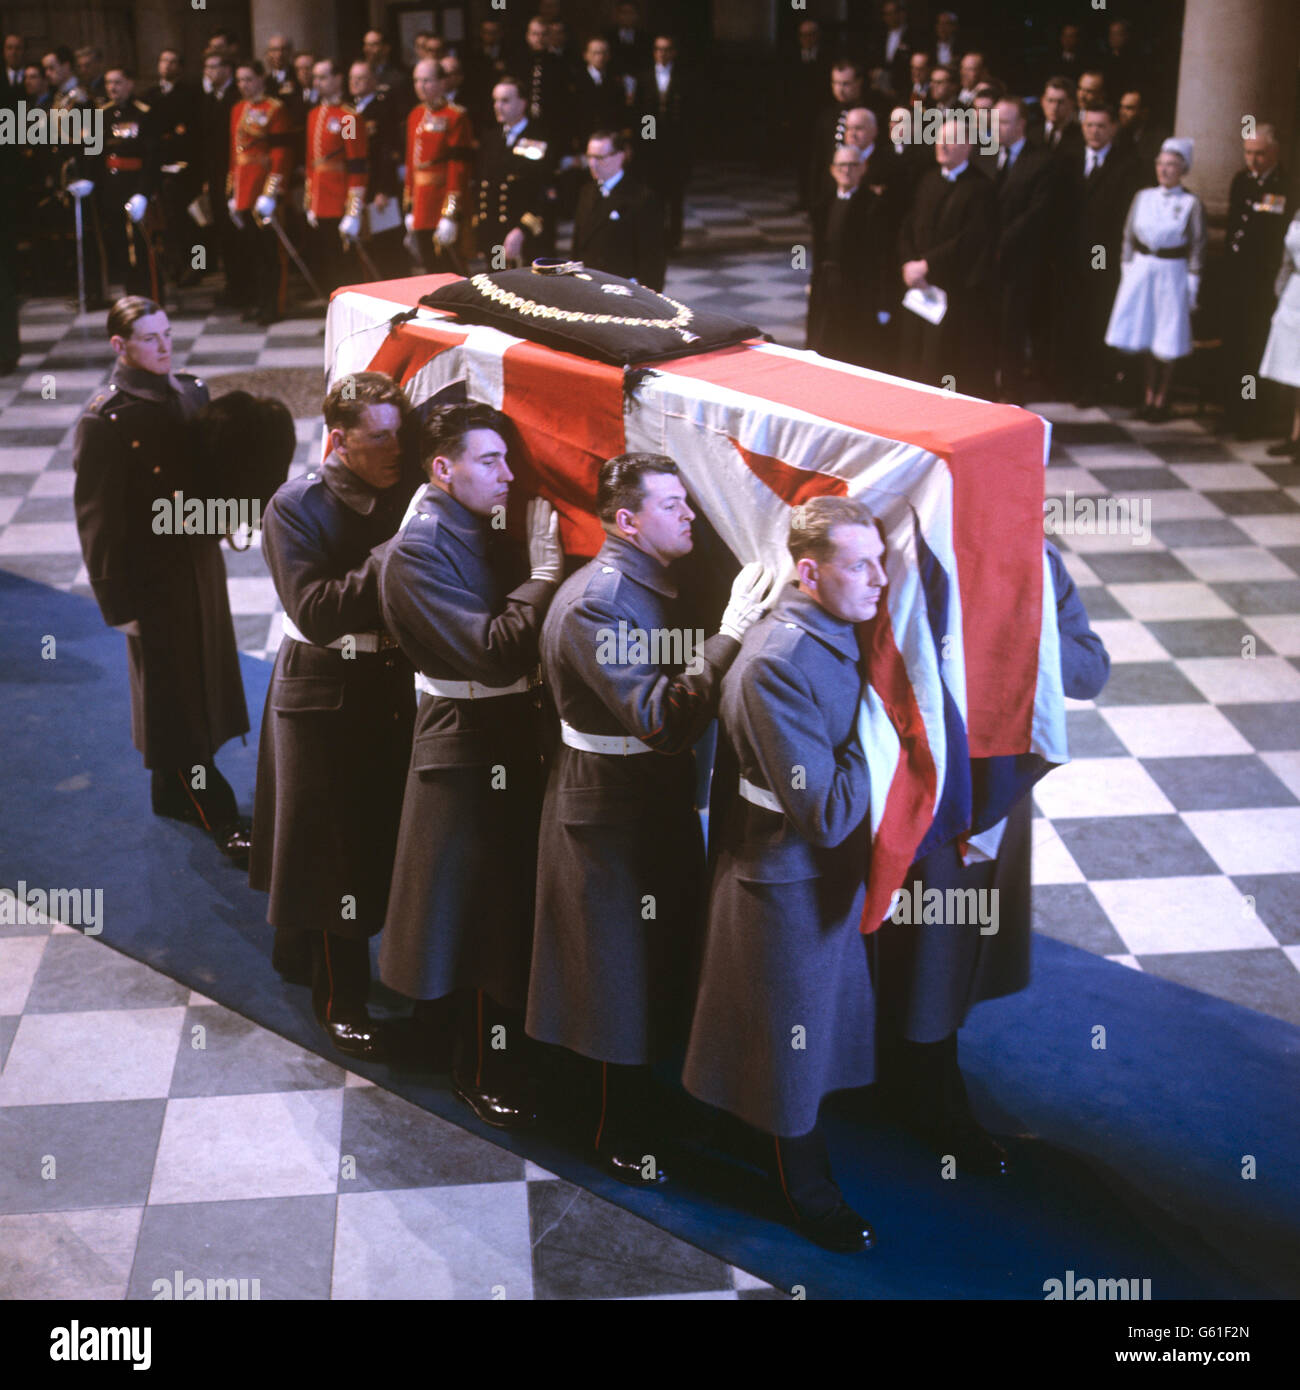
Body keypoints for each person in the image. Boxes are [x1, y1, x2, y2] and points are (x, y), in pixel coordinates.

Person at [526, 454, 775, 1186]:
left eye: (688, 502)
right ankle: (612, 1132)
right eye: (673, 505)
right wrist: (730, 635)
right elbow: (662, 719)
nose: (691, 515)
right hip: (607, 808)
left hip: (642, 800)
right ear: (627, 521)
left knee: (646, 959)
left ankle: (638, 1108)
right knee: (611, 973)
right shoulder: (600, 602)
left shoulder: (646, 583)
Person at [682, 496, 884, 1253]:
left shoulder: (827, 630)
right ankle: (807, 1192)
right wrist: (882, 735)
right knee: (785, 1051)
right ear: (809, 571)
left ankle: (733, 1131)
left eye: (880, 560)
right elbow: (828, 812)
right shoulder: (779, 663)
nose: (879, 579)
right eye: (860, 564)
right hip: (782, 881)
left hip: (805, 876)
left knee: (789, 1036)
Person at [871, 540, 1109, 1177]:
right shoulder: (898, 549)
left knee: (953, 939)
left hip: (996, 785)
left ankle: (925, 1073)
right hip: (917, 777)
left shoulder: (1039, 560)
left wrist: (1022, 639)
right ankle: (917, 1084)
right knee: (920, 937)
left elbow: (1091, 669)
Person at [380, 404, 563, 1128]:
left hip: (501, 734)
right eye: (490, 461)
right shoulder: (418, 549)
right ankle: (478, 1064)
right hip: (466, 740)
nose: (508, 475)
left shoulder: (467, 523)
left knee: (480, 902)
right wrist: (547, 575)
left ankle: (443, 1036)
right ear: (442, 469)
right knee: (479, 908)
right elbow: (491, 648)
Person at [250, 372, 414, 1061]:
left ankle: (297, 946)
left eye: (400, 435)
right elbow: (315, 608)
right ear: (339, 440)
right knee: (329, 849)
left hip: (385, 684)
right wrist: (399, 551)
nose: (395, 450)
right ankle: (336, 997)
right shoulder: (296, 507)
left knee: (367, 832)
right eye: (379, 438)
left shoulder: (400, 491)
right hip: (322, 688)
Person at [71, 297, 249, 863]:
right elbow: (96, 519)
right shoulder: (105, 418)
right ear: (119, 346)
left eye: (167, 333)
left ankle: (170, 791)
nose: (165, 346)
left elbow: (209, 474)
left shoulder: (193, 391)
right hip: (150, 579)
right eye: (149, 338)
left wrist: (228, 516)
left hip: (199, 564)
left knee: (206, 679)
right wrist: (115, 600)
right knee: (175, 696)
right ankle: (217, 812)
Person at [1105, 138, 1207, 421]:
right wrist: (1127, 270)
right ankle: (1147, 397)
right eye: (1161, 164)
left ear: (1182, 169)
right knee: (1146, 333)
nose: (1165, 170)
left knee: (1168, 336)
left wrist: (1193, 284)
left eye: (1172, 165)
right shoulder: (1143, 197)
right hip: (1142, 270)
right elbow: (1127, 236)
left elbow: (1198, 246)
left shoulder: (1190, 203)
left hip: (1172, 273)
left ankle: (1163, 398)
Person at [898, 115, 999, 398]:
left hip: (955, 292)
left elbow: (971, 240)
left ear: (967, 146)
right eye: (939, 139)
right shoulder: (928, 179)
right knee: (915, 361)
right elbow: (908, 223)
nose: (942, 145)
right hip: (919, 288)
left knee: (947, 367)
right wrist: (907, 262)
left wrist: (927, 264)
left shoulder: (981, 189)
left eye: (951, 140)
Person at [1055, 104, 1140, 406]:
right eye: (1090, 125)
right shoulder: (1068, 160)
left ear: (1113, 129)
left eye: (1101, 126)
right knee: (1071, 320)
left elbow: (1124, 218)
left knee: (1096, 322)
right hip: (1069, 258)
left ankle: (1092, 385)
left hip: (1103, 259)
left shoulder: (1127, 166)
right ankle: (1068, 381)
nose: (1094, 131)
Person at [1221, 125, 1290, 440]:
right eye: (1249, 153)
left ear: (1273, 153)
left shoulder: (1285, 185)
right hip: (1236, 281)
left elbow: (1277, 238)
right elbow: (1236, 224)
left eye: (1260, 153)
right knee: (1234, 349)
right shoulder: (1242, 181)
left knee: (1253, 351)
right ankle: (1231, 412)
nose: (1254, 160)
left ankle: (1251, 417)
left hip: (1262, 284)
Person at [991, 97, 1057, 404]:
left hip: (1019, 261)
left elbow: (1038, 212)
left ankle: (1011, 391)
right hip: (984, 259)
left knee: (1011, 328)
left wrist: (1002, 242)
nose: (997, 128)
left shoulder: (1041, 160)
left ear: (1021, 125)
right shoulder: (986, 155)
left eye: (1004, 122)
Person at [808, 146, 893, 368]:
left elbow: (882, 258)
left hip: (857, 294)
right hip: (825, 289)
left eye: (852, 165)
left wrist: (882, 302)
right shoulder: (824, 203)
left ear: (863, 168)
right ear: (832, 170)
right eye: (841, 165)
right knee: (821, 350)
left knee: (851, 355)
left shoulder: (874, 206)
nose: (846, 170)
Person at [227, 60, 292, 325]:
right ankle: (258, 301)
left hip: (264, 187)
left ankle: (274, 305)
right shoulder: (238, 109)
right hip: (244, 186)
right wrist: (232, 191)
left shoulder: (275, 109)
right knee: (252, 251)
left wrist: (271, 192)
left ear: (261, 80)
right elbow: (234, 153)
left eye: (248, 79)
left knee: (270, 251)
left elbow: (281, 153)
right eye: (240, 80)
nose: (244, 85)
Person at [95, 68, 162, 302]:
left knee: (142, 248)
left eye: (118, 82)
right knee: (119, 246)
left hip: (135, 187)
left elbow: (152, 158)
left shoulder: (144, 113)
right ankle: (131, 299)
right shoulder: (102, 114)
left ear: (130, 84)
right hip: (111, 188)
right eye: (108, 83)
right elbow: (95, 154)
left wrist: (143, 193)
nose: (112, 88)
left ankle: (151, 298)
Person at [473, 77, 555, 268]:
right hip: (495, 236)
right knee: (496, 284)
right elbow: (482, 185)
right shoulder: (491, 138)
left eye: (505, 101)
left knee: (524, 290)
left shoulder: (538, 138)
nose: (498, 106)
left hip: (524, 236)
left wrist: (522, 230)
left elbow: (543, 192)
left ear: (522, 103)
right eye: (495, 100)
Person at [303, 58, 368, 295]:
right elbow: (311, 162)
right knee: (327, 263)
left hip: (340, 200)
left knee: (346, 266)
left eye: (323, 77)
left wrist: (353, 210)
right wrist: (311, 201)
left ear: (338, 79)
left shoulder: (348, 117)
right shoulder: (313, 115)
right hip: (321, 201)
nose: (317, 82)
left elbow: (357, 164)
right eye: (315, 78)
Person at [572, 129, 665, 291]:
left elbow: (653, 258)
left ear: (620, 156)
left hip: (622, 290)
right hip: (589, 287)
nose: (592, 164)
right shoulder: (586, 192)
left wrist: (648, 295)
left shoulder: (641, 197)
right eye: (589, 157)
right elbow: (578, 246)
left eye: (600, 158)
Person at [403, 58, 473, 272]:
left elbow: (458, 166)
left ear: (443, 83)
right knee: (429, 263)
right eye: (416, 81)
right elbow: (410, 162)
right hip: (422, 202)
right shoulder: (415, 115)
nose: (420, 86)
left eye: (427, 81)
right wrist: (409, 205)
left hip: (442, 198)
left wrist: (450, 213)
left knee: (451, 264)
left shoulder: (455, 116)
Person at [144, 49, 204, 290]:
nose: (167, 66)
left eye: (172, 62)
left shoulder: (189, 95)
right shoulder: (150, 95)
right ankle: (172, 266)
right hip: (158, 166)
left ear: (180, 67)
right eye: (163, 61)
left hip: (184, 168)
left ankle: (197, 266)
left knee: (188, 222)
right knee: (165, 222)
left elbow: (191, 133)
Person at [634, 35, 692, 251]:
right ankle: (655, 240)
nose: (662, 53)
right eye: (658, 49)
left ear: (674, 52)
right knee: (653, 196)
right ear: (653, 52)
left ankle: (674, 241)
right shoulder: (645, 78)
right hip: (652, 146)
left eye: (667, 49)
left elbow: (692, 115)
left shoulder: (684, 78)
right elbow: (639, 114)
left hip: (676, 146)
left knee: (675, 196)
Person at [1258, 208, 1300, 459]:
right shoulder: (1297, 215)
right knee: (1295, 371)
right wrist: (1280, 291)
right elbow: (1288, 259)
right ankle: (1295, 436)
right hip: (1294, 296)